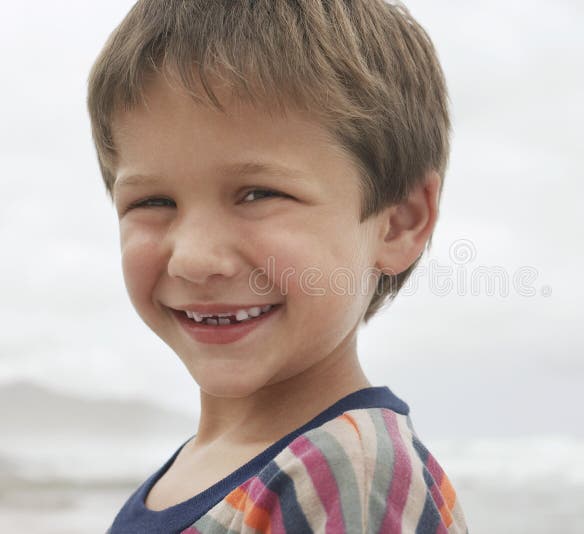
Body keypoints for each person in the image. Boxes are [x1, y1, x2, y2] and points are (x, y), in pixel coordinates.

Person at [87, 0, 467, 532]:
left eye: (258, 193)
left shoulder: (343, 477)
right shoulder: (211, 467)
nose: (195, 258)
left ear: (398, 222)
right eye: (153, 201)